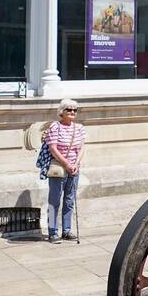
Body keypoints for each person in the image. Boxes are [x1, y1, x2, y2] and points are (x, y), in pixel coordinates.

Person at [42, 99, 86, 242]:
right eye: (69, 109)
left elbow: (81, 148)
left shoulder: (79, 128)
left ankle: (66, 230)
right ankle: (53, 232)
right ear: (61, 112)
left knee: (69, 200)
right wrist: (67, 164)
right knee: (54, 201)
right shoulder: (55, 127)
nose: (72, 112)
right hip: (58, 168)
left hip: (74, 168)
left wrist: (76, 164)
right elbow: (53, 148)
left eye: (75, 110)